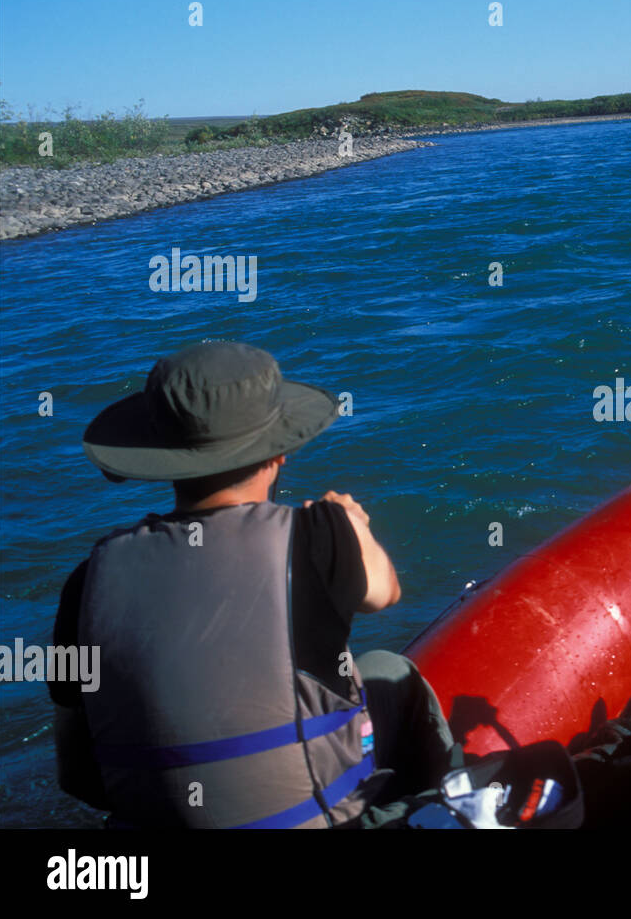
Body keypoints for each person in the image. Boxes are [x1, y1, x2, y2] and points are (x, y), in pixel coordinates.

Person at [50, 341, 454, 828]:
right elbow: (386, 592)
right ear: (280, 452)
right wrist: (354, 526)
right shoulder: (318, 537)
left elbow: (76, 773)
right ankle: (439, 809)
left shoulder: (87, 580)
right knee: (392, 669)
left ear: (163, 459)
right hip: (314, 821)